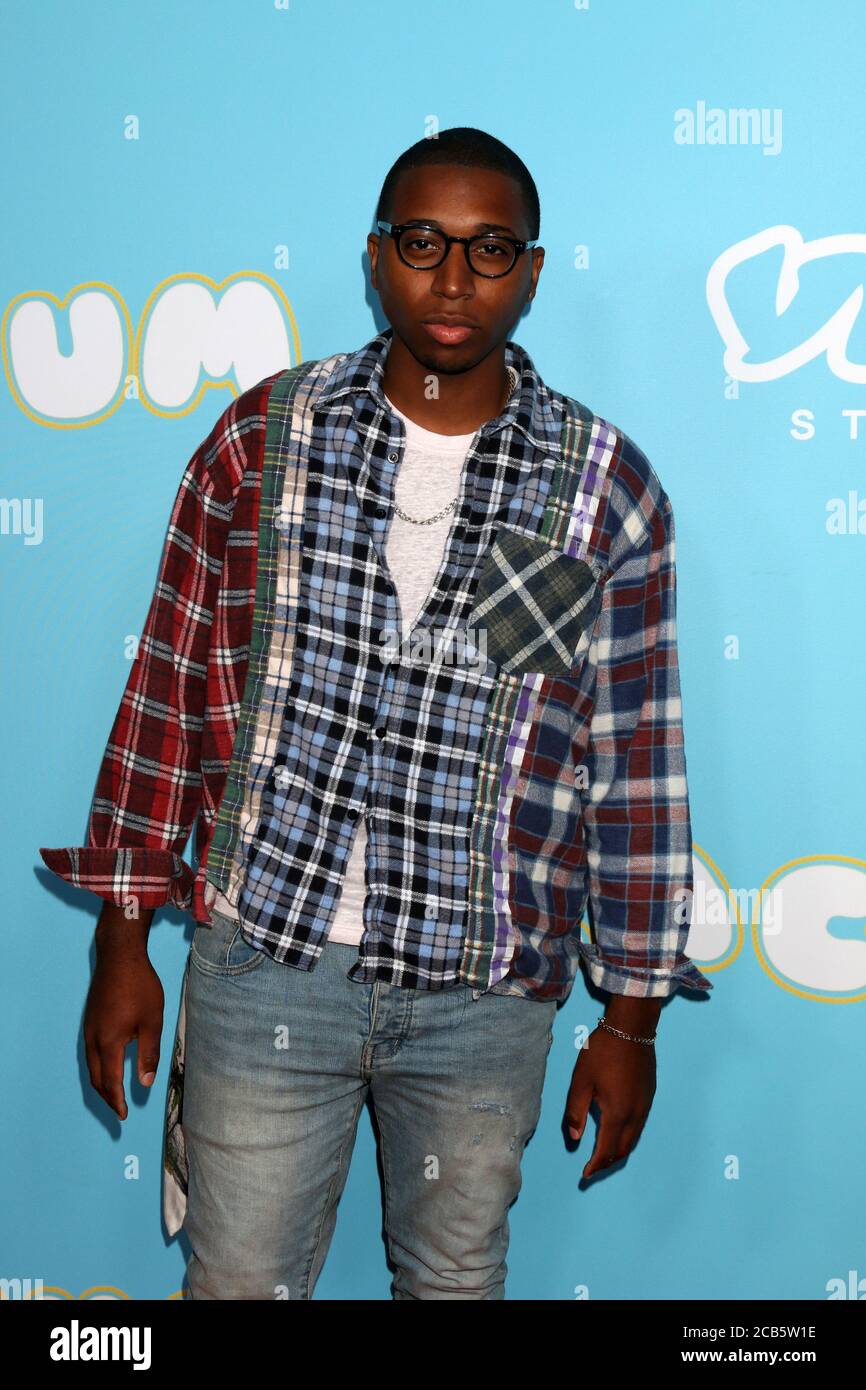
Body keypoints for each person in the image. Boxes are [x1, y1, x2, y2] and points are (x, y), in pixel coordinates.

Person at [40, 126, 712, 1300]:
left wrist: (631, 1019)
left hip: (480, 994)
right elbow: (165, 686)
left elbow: (635, 761)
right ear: (374, 256)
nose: (452, 279)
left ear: (534, 270)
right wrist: (120, 941)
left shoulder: (599, 484)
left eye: (489, 248)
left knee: (454, 1284)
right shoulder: (265, 439)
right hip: (264, 963)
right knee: (240, 1281)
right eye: (422, 242)